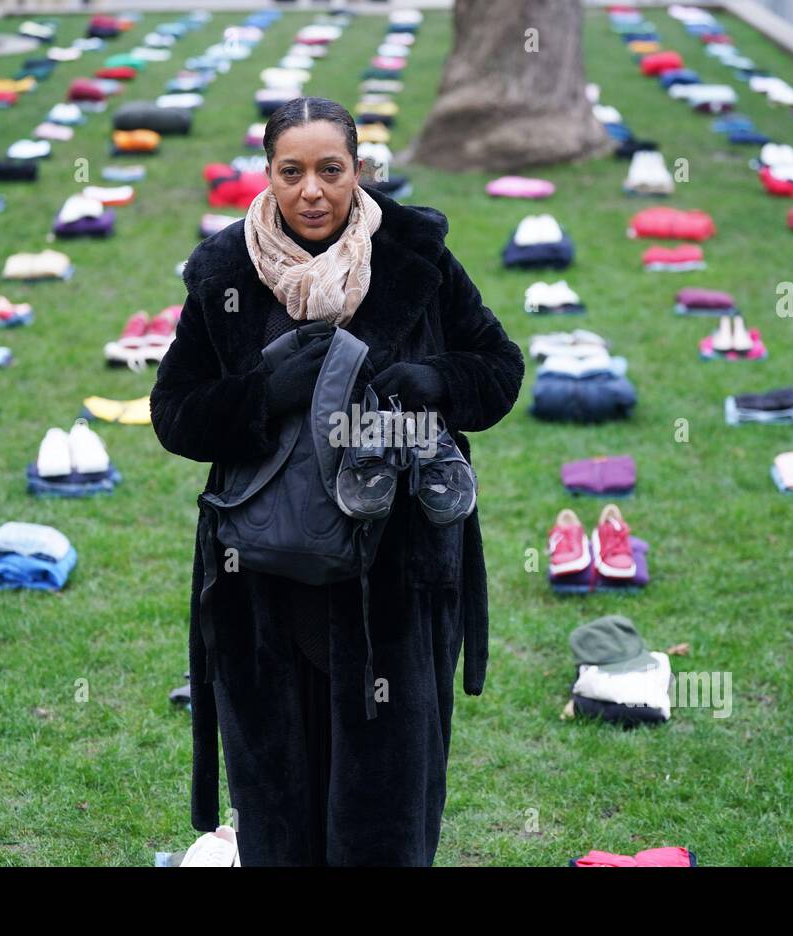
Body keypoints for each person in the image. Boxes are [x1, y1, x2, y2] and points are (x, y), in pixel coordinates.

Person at [150, 97, 523, 866]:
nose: (312, 191)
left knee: (383, 812)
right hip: (260, 577)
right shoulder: (224, 271)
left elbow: (499, 369)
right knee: (279, 809)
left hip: (396, 581)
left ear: (359, 172)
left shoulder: (416, 257)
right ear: (268, 175)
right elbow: (175, 414)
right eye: (293, 172)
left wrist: (434, 379)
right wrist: (260, 393)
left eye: (331, 170)